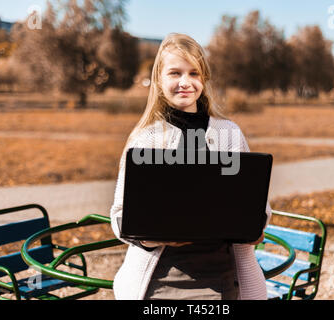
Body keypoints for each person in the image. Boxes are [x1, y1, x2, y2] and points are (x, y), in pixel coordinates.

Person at [110, 33, 271, 300]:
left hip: (222, 275)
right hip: (161, 278)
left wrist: (254, 228)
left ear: (203, 79)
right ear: (159, 81)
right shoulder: (146, 139)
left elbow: (259, 210)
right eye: (175, 73)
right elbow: (119, 216)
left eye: (193, 73)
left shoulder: (229, 134)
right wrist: (155, 237)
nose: (185, 82)